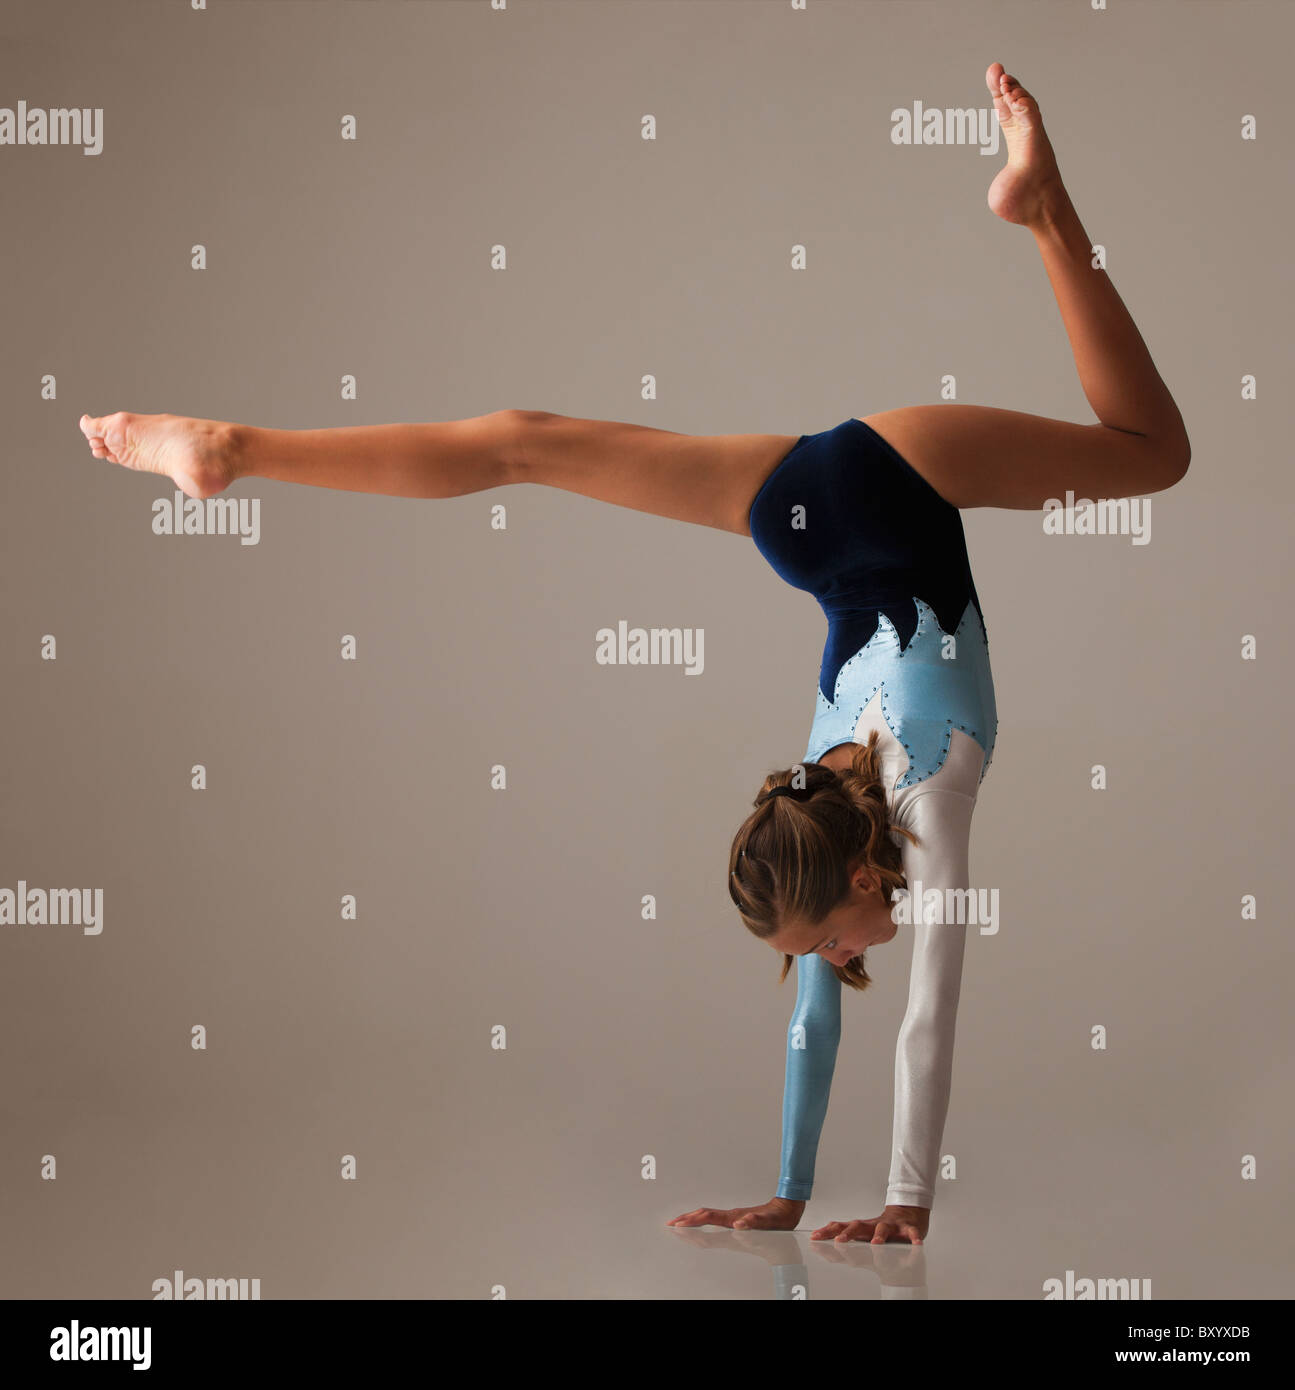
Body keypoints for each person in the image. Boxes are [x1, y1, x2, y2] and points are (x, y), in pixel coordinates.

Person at [77, 65, 1189, 1244]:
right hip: (839, 496)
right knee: (529, 444)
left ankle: (233, 447)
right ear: (856, 875)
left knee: (524, 446)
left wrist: (852, 1197)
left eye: (814, 946)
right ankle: (227, 445)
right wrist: (842, 1198)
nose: (831, 964)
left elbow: (882, 1013)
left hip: (858, 490)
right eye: (819, 944)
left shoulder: (878, 800)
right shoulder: (865, 792)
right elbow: (902, 1016)